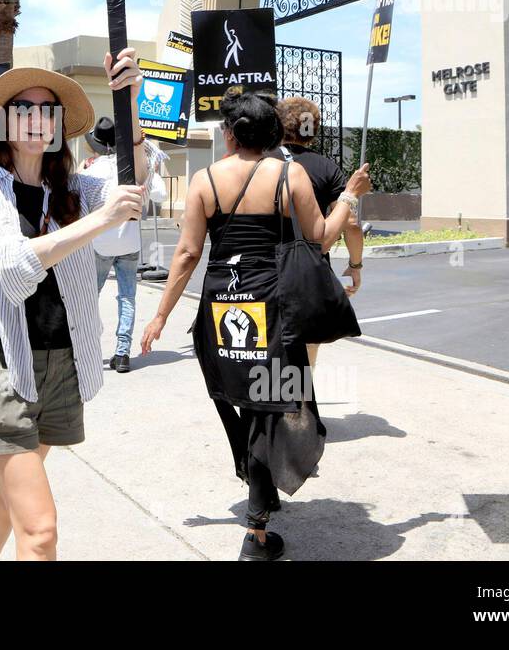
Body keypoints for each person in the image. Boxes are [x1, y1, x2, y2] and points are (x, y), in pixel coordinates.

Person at [141, 94, 370, 560]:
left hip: (221, 311)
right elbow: (322, 236)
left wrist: (162, 313)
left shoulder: (205, 180)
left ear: (229, 133)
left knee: (243, 404)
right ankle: (257, 532)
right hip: (274, 312)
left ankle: (256, 485)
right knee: (271, 408)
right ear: (272, 136)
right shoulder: (291, 175)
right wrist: (349, 195)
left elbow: (186, 254)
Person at [0, 53, 152, 560]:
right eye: (24, 107)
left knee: (1, 507)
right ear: (2, 122)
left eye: (49, 110)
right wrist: (99, 221)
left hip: (62, 363)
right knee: (39, 531)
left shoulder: (74, 189)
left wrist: (130, 109)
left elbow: (133, 187)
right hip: (6, 365)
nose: (38, 118)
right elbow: (15, 263)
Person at [273, 96, 367, 367]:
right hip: (308, 267)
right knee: (306, 343)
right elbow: (350, 223)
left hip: (264, 265)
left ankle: (268, 399)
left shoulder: (261, 162)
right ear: (313, 129)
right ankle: (299, 402)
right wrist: (355, 264)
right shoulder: (327, 168)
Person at [84, 116, 167, 373]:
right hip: (129, 240)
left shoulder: (91, 169)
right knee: (127, 297)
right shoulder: (131, 168)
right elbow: (160, 194)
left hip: (100, 243)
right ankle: (122, 353)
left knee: (89, 297)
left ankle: (86, 349)